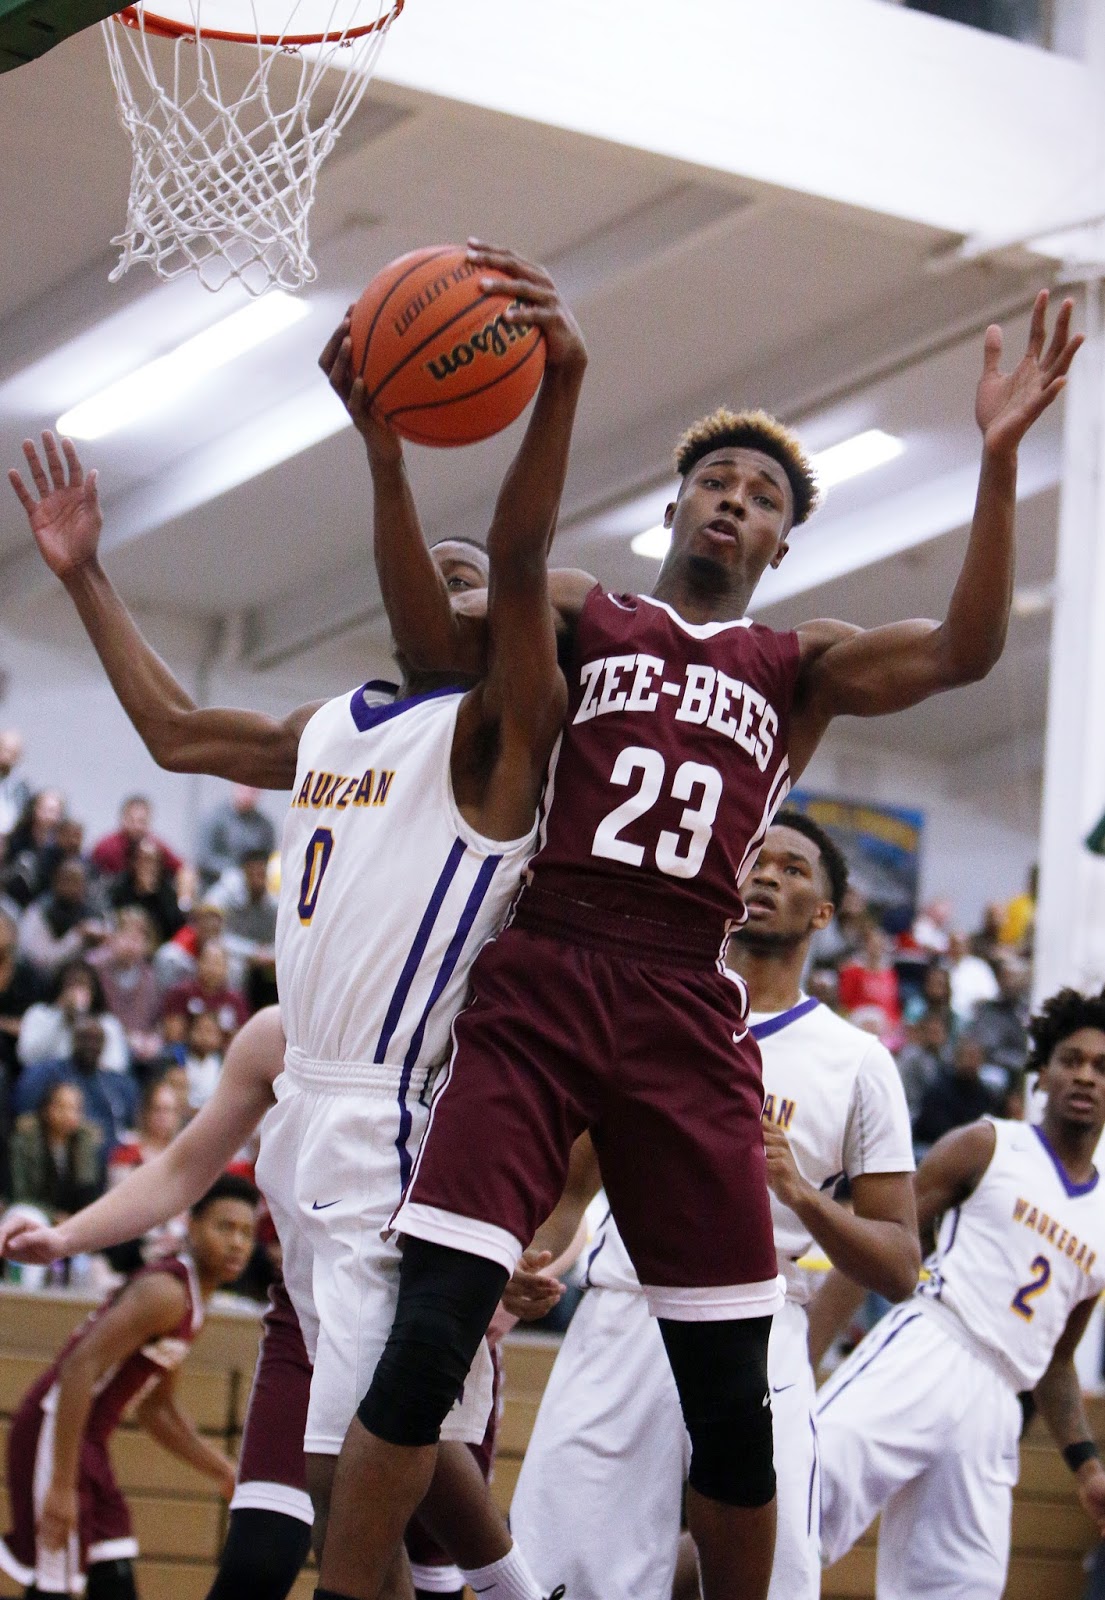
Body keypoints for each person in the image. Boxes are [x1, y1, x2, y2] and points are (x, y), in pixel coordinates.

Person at [315, 293, 1080, 1600]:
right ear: (673, 511)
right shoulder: (585, 611)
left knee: (735, 1398)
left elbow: (962, 648)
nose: (734, 500)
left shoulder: (802, 661)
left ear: (783, 541)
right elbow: (482, 591)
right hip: (546, 966)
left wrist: (1000, 462)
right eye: (713, 481)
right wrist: (532, 398)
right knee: (430, 1330)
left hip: (681, 996)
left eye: (762, 496)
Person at [7, 240, 588, 1600]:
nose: (448, 589)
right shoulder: (336, 727)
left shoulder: (507, 736)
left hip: (402, 1108)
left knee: (382, 1470)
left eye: (469, 582)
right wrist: (87, 575)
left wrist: (405, 451)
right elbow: (167, 730)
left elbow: (511, 562)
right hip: (316, 1122)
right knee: (352, 1486)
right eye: (427, 575)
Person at [506, 812, 918, 1600]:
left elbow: (900, 1265)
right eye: (756, 861)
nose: (767, 875)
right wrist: (529, 1260)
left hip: (766, 1320)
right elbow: (571, 1190)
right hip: (626, 1309)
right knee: (559, 1573)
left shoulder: (859, 1063)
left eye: (794, 870)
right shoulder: (647, 1007)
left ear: (823, 916)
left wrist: (800, 1192)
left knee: (773, 1581)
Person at [815, 986, 1105, 1599]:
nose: (1085, 1075)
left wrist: (1087, 1467)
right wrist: (798, 1362)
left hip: (999, 1404)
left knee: (958, 1591)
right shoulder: (988, 1143)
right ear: (1043, 1073)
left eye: (1101, 1067)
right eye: (1071, 1060)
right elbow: (873, 1245)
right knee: (790, 1510)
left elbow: (1055, 1361)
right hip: (933, 1345)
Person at [0, 1174, 257, 1598]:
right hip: (55, 1432)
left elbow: (156, 1410)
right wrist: (61, 1485)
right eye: (224, 1227)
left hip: (88, 1447)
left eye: (247, 1232)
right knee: (53, 1585)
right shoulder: (166, 1292)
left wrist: (223, 1470)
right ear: (191, 1228)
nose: (237, 1243)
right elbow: (78, 1369)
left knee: (115, 1580)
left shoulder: (194, 1303)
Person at [15, 1015, 138, 1162]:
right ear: (73, 1040)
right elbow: (25, 1117)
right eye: (85, 1038)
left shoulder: (117, 1083)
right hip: (63, 1154)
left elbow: (133, 1126)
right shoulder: (49, 1072)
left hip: (113, 1158)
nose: (91, 1045)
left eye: (97, 1040)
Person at [106, 1075, 187, 1269]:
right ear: (145, 1112)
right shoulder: (126, 1153)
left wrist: (175, 1233)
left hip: (175, 1238)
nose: (163, 1116)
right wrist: (154, 1236)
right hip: (132, 1238)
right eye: (157, 1109)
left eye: (168, 1110)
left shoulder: (183, 1156)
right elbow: (120, 1204)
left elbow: (186, 1207)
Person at [7, 1079, 102, 1221]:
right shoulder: (25, 1141)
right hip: (35, 1212)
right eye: (62, 1107)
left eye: (76, 1109)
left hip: (74, 1219)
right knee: (22, 1214)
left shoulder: (85, 1142)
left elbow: (88, 1191)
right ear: (46, 1109)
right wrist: (53, 1216)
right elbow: (19, 1194)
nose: (69, 1115)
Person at [17, 959, 129, 1076]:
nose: (75, 994)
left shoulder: (107, 1022)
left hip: (93, 1081)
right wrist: (61, 1018)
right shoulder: (39, 1013)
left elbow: (117, 1067)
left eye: (83, 986)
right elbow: (27, 1057)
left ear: (94, 991)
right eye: (71, 986)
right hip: (50, 1080)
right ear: (60, 987)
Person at [89, 908, 163, 1071]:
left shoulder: (150, 976)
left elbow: (156, 1020)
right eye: (127, 936)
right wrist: (126, 1037)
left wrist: (152, 1039)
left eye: (139, 938)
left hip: (142, 1045)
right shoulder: (95, 967)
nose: (132, 944)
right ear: (114, 936)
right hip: (102, 1043)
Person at [16, 857, 108, 981]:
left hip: (81, 979)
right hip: (42, 979)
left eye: (77, 882)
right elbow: (39, 959)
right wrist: (76, 937)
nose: (72, 887)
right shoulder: (39, 911)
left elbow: (109, 941)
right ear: (56, 882)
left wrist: (100, 938)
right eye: (67, 880)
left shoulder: (92, 910)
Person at [208, 846, 278, 1004]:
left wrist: (267, 954)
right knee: (235, 968)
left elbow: (284, 941)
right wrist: (252, 952)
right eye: (252, 873)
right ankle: (235, 1013)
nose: (257, 879)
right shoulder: (226, 892)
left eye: (261, 874)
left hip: (266, 959)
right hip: (233, 954)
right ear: (243, 873)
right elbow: (212, 933)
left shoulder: (275, 901)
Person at [912, 1027, 997, 1150]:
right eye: (967, 1056)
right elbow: (934, 1129)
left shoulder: (985, 1094)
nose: (971, 1062)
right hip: (933, 1147)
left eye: (975, 1057)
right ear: (957, 1058)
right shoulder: (939, 1089)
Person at [160, 940, 248, 1043]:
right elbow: (173, 1034)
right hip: (184, 1054)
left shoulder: (235, 999)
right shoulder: (181, 992)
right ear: (198, 962)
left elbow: (240, 1038)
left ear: (226, 968)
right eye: (208, 961)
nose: (212, 968)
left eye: (217, 963)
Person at [106, 833, 185, 945]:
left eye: (154, 862)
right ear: (133, 862)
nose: (149, 867)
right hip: (120, 945)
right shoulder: (119, 886)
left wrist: (152, 894)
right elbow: (110, 916)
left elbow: (175, 928)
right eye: (144, 860)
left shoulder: (167, 893)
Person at [196, 785, 276, 889]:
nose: (248, 793)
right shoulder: (214, 818)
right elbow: (204, 858)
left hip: (254, 887)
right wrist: (236, 872)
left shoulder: (264, 825)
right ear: (236, 786)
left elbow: (268, 859)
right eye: (244, 788)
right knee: (234, 881)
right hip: (216, 884)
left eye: (253, 790)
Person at [90, 794, 182, 882]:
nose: (137, 826)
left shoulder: (156, 847)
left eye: (142, 821)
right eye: (132, 820)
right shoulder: (106, 848)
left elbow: (183, 870)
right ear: (123, 819)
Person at [0, 729, 30, 844]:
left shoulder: (21, 787)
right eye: (5, 750)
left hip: (7, 843)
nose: (8, 756)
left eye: (14, 752)